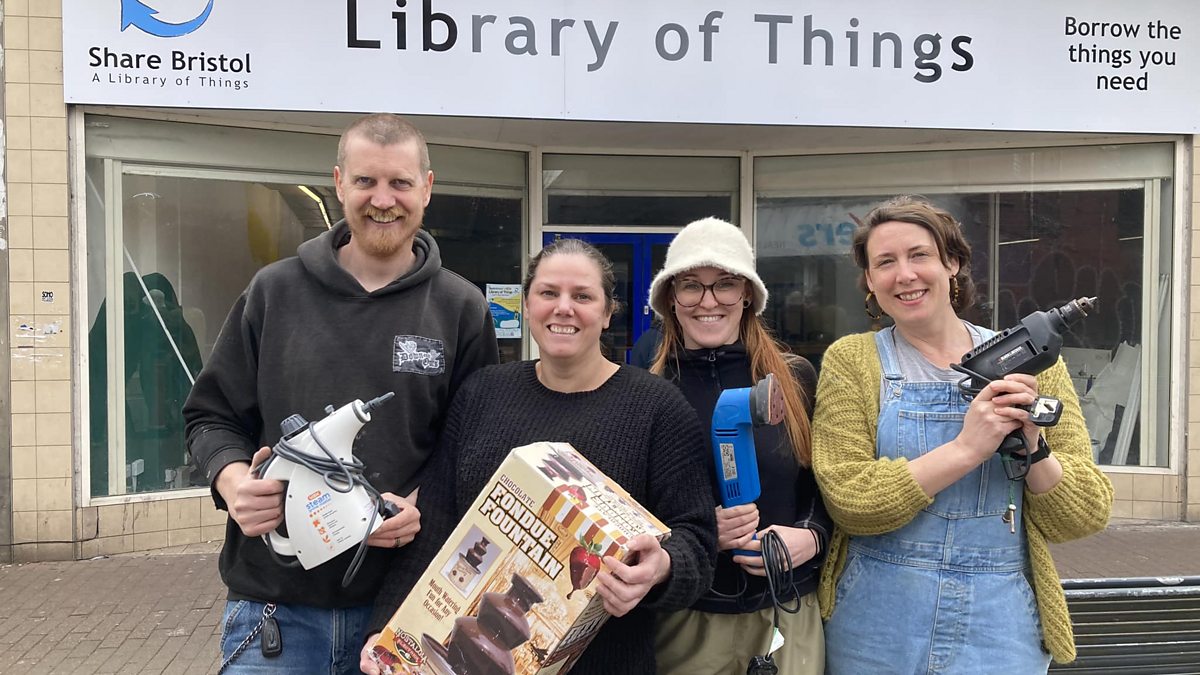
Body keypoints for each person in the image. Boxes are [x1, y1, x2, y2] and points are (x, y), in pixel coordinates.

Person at [183, 113, 499, 673]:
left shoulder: (461, 308)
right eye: (365, 182)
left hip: (405, 611)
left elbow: (475, 445)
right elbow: (211, 416)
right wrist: (233, 482)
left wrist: (426, 502)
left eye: (400, 182)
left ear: (426, 188)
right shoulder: (273, 292)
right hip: (274, 612)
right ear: (338, 183)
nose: (383, 200)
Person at [360, 238, 718, 675]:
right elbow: (435, 526)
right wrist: (386, 629)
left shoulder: (658, 409)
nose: (563, 308)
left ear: (607, 314)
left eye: (582, 296)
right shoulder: (481, 394)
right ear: (527, 305)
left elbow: (697, 542)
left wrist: (661, 567)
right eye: (548, 293)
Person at [812, 196, 1113, 672]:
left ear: (952, 263)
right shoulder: (853, 361)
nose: (904, 275)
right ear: (870, 281)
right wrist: (967, 448)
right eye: (884, 262)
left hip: (999, 623)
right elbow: (851, 502)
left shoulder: (1032, 363)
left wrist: (1033, 445)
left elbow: (1082, 515)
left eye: (919, 255)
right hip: (876, 621)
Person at [647, 218, 830, 675]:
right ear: (671, 297)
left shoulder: (794, 379)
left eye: (725, 284)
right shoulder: (645, 391)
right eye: (691, 286)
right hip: (686, 620)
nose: (708, 302)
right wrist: (693, 535)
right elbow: (628, 511)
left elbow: (826, 485)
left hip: (786, 615)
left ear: (747, 293)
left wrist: (811, 537)